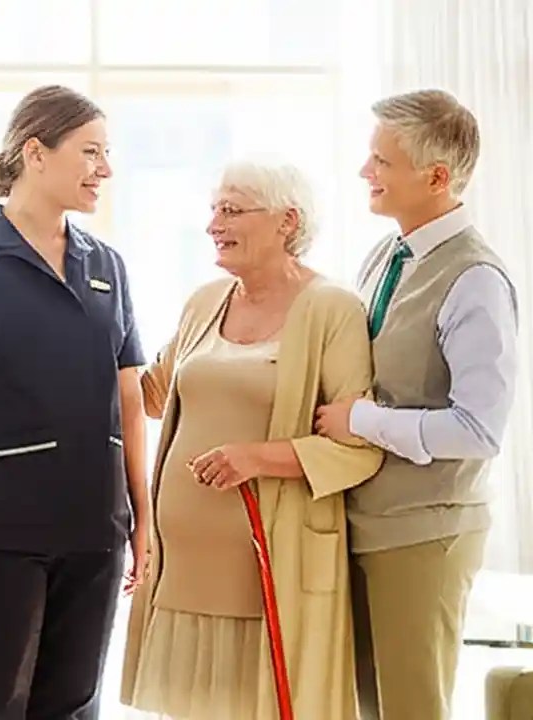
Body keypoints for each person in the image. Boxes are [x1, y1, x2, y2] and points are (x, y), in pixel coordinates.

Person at [0, 85, 151, 720]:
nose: (107, 168)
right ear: (35, 153)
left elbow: (128, 399)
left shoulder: (109, 267)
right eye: (91, 151)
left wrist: (142, 517)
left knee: (74, 710)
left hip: (95, 531)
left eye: (108, 153)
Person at [120, 160, 384, 720]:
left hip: (269, 567)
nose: (215, 223)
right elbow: (150, 396)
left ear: (288, 221)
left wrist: (255, 458)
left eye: (232, 210)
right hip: (183, 572)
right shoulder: (205, 301)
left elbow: (359, 445)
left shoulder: (332, 309)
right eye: (214, 209)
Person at [315, 89, 519, 720]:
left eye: (381, 161)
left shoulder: (475, 278)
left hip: (426, 530)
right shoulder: (387, 254)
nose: (364, 172)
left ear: (435, 177)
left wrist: (362, 422)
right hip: (369, 522)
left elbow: (479, 428)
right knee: (368, 706)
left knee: (410, 709)